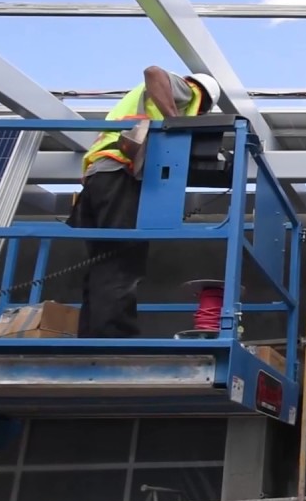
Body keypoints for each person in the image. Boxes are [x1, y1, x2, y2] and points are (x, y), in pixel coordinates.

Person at [67, 66, 221, 338]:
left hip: (98, 176)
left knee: (104, 263)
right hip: (118, 174)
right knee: (123, 261)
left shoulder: (137, 100)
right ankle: (115, 338)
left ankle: (92, 337)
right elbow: (153, 71)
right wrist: (176, 122)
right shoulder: (191, 91)